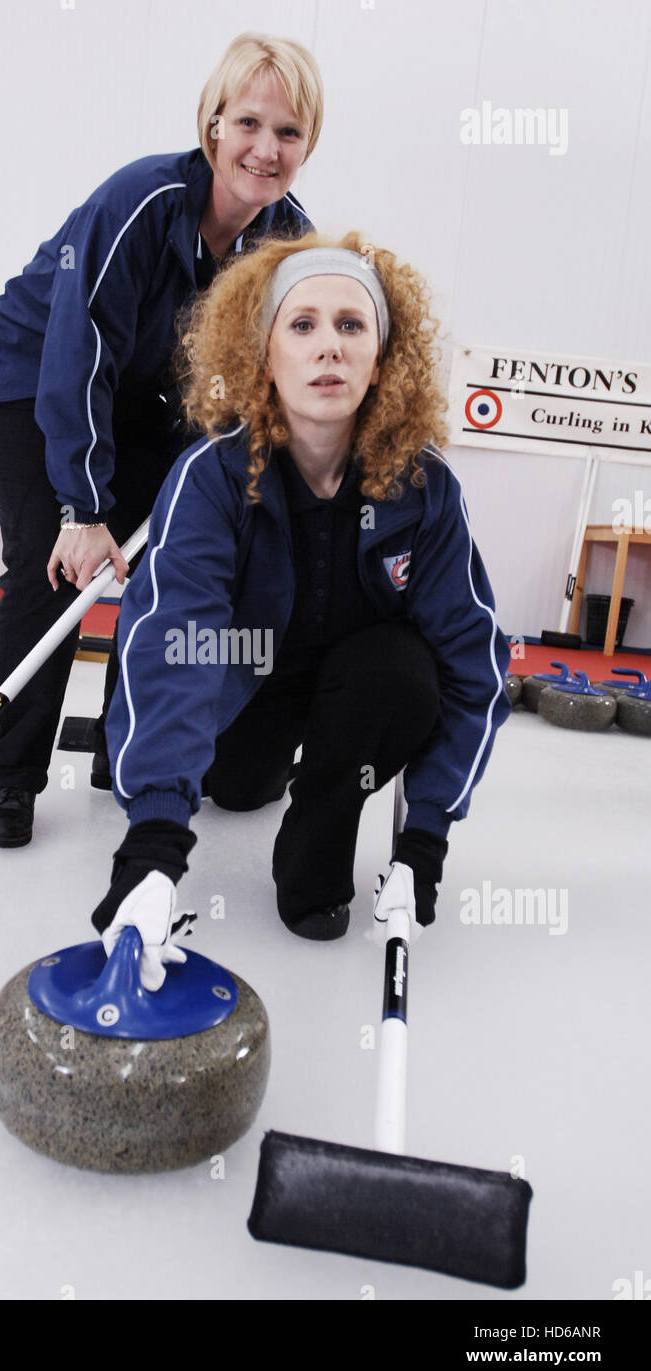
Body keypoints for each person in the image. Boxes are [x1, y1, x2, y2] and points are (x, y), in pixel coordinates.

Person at [91, 231, 512, 990]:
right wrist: (151, 853)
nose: (329, 348)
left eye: (351, 326)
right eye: (303, 325)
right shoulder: (212, 477)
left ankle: (316, 829)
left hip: (355, 681)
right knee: (237, 785)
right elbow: (175, 642)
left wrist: (424, 841)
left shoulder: (425, 489)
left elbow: (473, 667)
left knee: (402, 672)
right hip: (248, 662)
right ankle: (239, 765)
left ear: (380, 360)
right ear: (263, 356)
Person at [0, 32, 322, 848]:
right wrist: (81, 508)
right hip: (29, 383)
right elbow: (76, 350)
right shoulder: (141, 201)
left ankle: (123, 751)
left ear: (307, 145)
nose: (265, 150)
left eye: (289, 133)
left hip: (144, 404)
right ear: (212, 125)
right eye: (248, 125)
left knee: (172, 562)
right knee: (51, 565)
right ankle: (14, 780)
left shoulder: (287, 248)